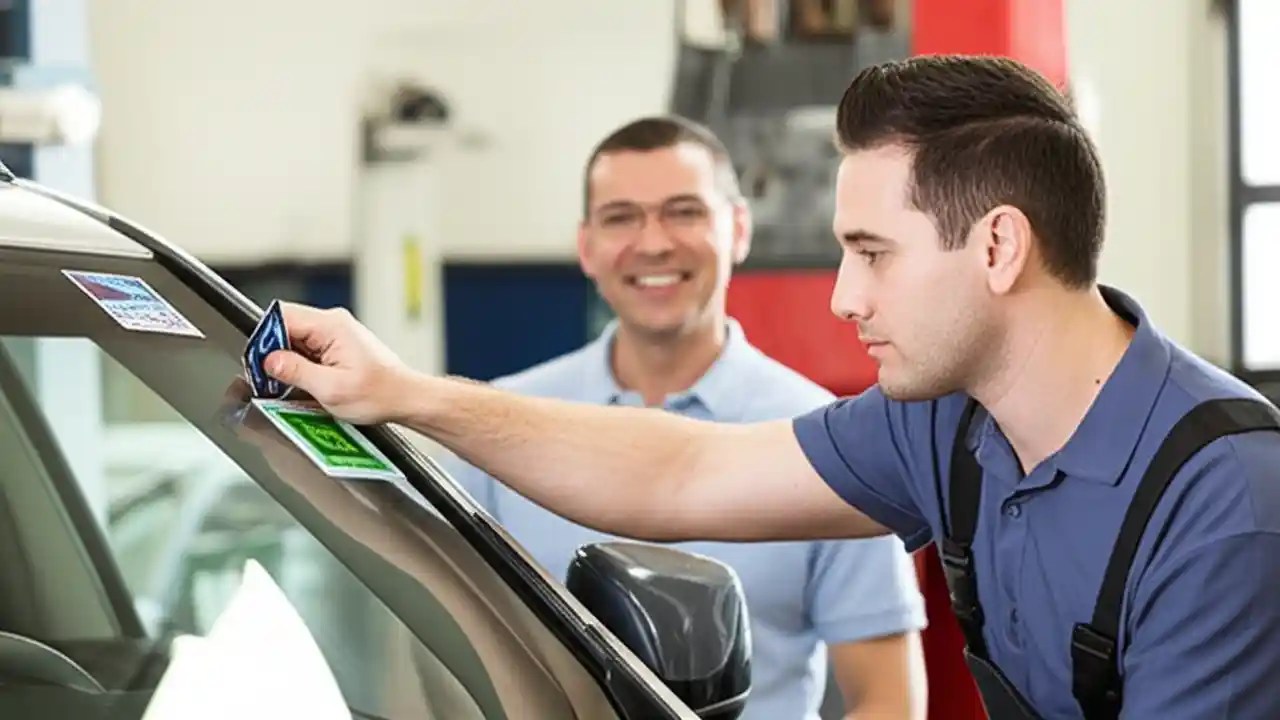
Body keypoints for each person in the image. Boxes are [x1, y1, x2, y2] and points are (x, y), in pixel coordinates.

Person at [263, 54, 1280, 719]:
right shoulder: (941, 426)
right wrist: (408, 395)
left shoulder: (1218, 503)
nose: (843, 297)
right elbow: (680, 475)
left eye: (872, 253)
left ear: (998, 246)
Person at [437, 115, 928, 720]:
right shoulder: (501, 429)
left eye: (684, 212)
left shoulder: (828, 440)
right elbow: (442, 670)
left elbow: (888, 702)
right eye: (621, 217)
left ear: (738, 229)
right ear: (586, 246)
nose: (654, 243)